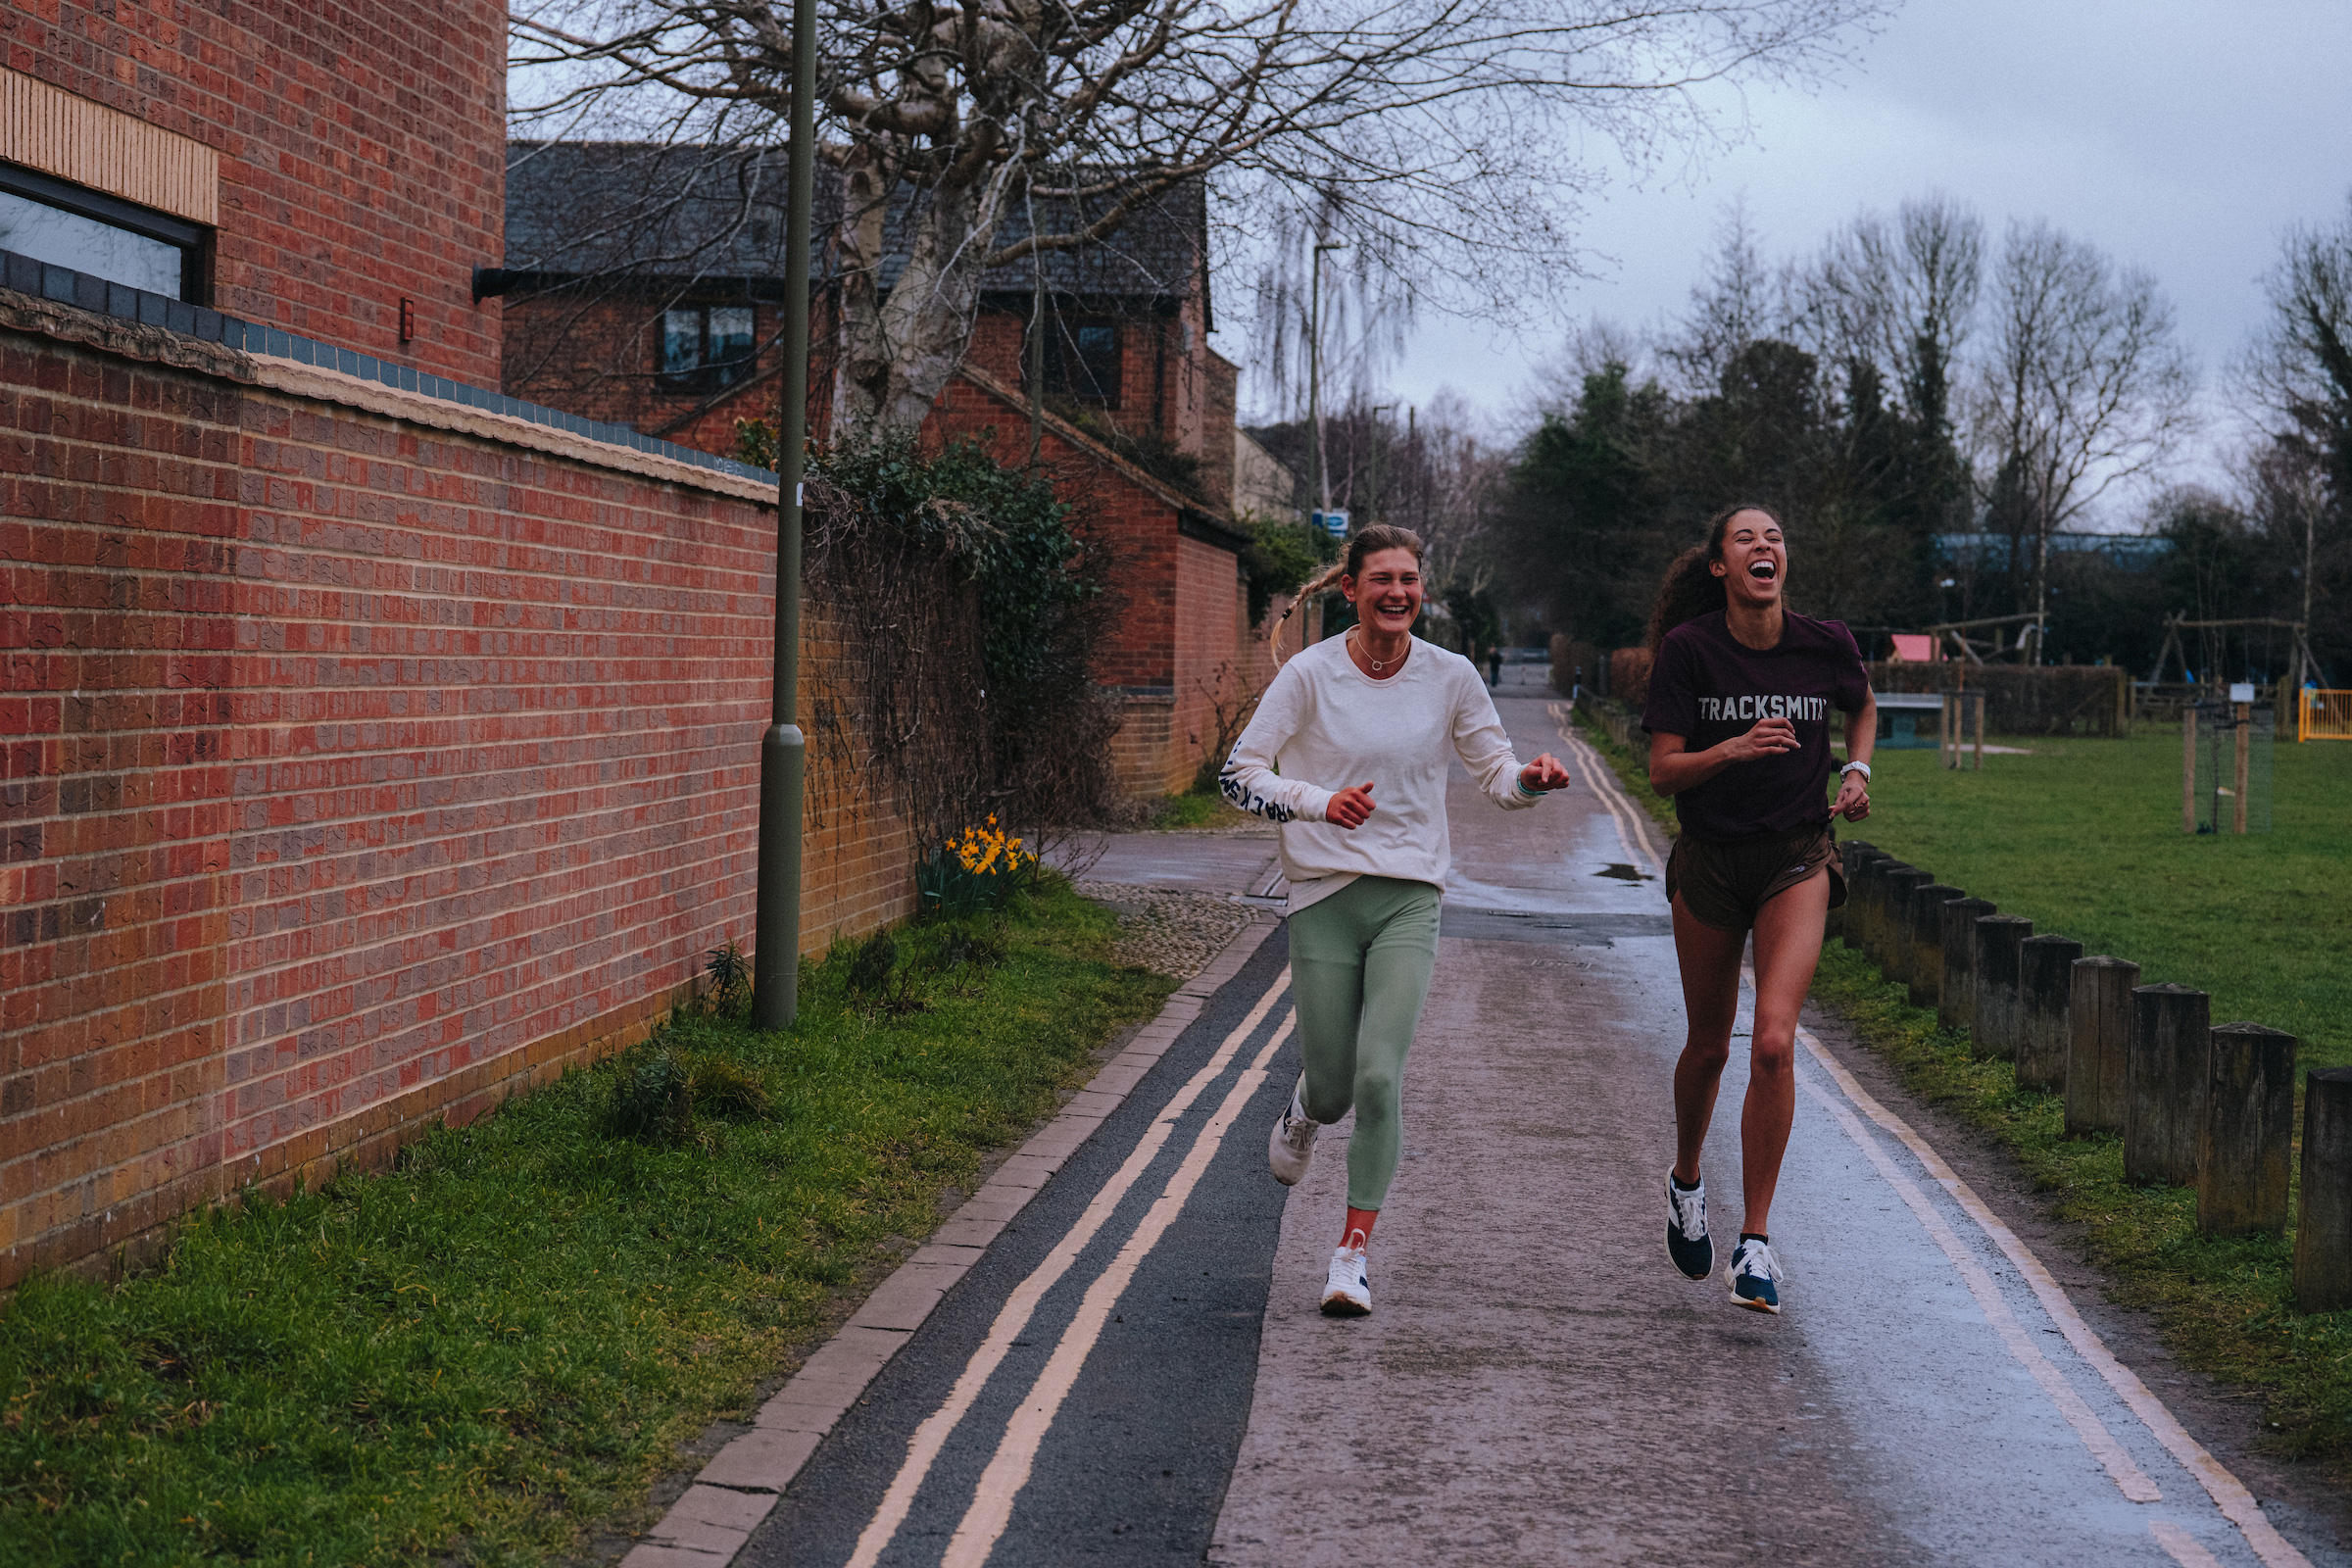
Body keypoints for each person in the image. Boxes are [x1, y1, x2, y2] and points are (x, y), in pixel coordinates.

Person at [1219, 524, 1572, 1317]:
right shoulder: (1309, 675)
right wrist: (1318, 801)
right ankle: (1309, 1108)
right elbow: (1237, 775)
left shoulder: (1450, 677)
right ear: (1351, 590)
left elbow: (1494, 774)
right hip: (1322, 895)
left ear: (1421, 589)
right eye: (1381, 579)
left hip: (1410, 892)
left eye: (1409, 579)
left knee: (1381, 1075)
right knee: (1339, 1087)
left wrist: (1532, 779)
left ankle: (1351, 1256)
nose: (1398, 593)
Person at [1641, 504, 1876, 1314]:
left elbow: (1862, 705)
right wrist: (1734, 748)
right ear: (1720, 567)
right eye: (1746, 538)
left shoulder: (1826, 643)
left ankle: (1757, 1243)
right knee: (1709, 1045)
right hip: (1709, 863)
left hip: (1795, 858)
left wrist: (1858, 770)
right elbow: (1663, 773)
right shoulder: (1690, 652)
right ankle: (1685, 1179)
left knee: (1773, 1040)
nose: (1764, 546)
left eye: (1775, 535)